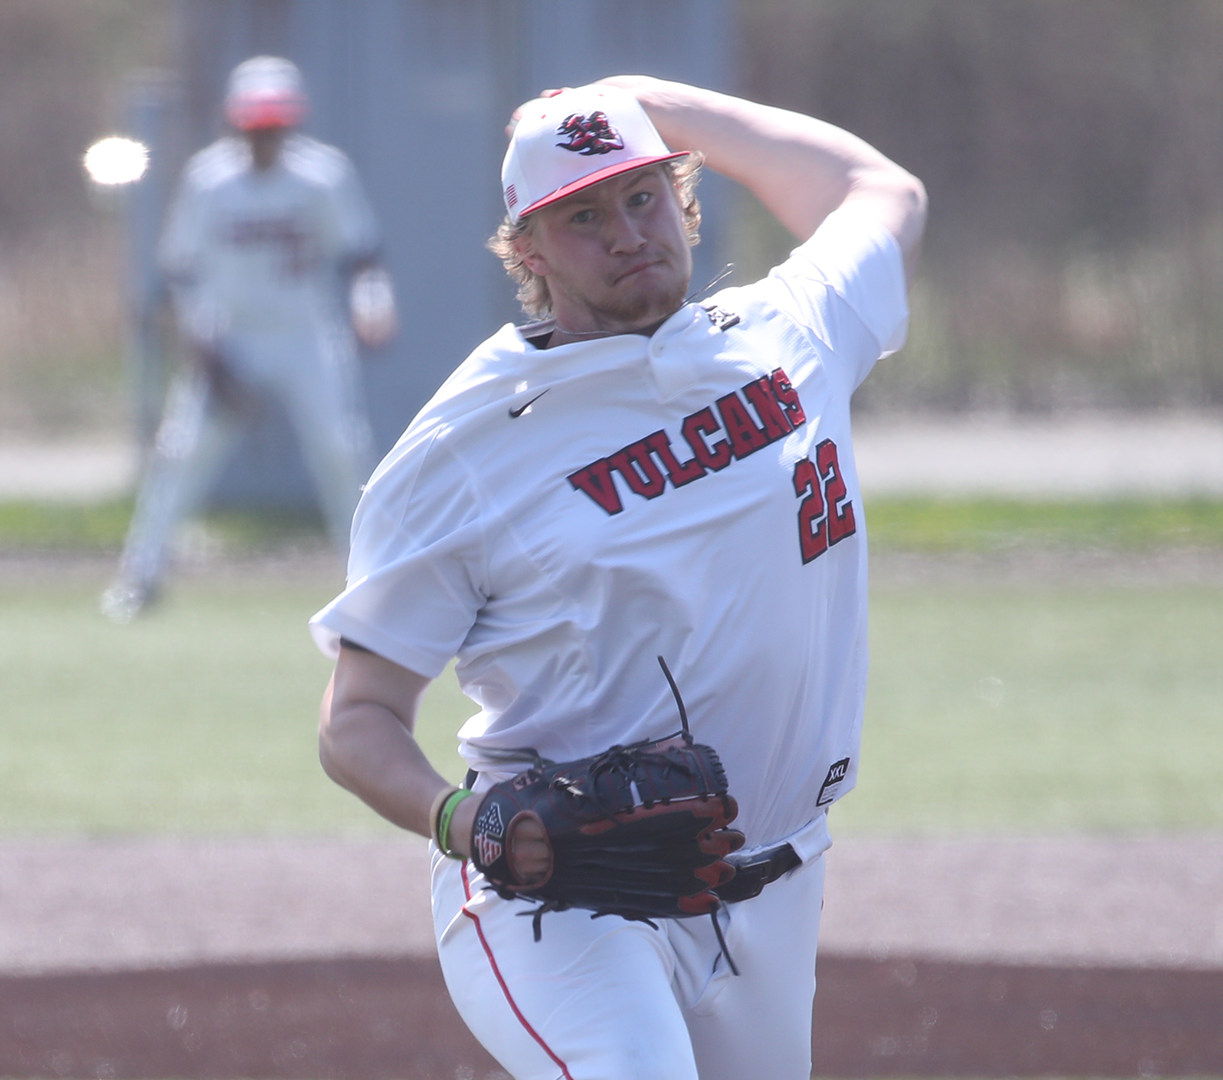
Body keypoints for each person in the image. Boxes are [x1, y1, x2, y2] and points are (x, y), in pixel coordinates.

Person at [313, 76, 924, 1079]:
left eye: (644, 196)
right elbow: (355, 719)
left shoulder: (788, 335)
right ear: (531, 253)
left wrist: (654, 101)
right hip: (564, 900)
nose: (627, 231)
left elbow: (880, 190)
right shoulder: (464, 450)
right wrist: (465, 823)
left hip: (778, 880)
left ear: (682, 199)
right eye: (584, 215)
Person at [102, 55, 396, 622]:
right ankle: (141, 577)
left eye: (273, 126)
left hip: (306, 334)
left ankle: (368, 580)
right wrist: (205, 350)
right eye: (254, 126)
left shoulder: (322, 176)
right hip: (231, 337)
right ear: (235, 124)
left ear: (291, 124)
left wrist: (372, 303)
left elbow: (361, 254)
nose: (264, 137)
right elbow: (180, 272)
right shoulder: (209, 180)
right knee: (181, 455)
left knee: (341, 451)